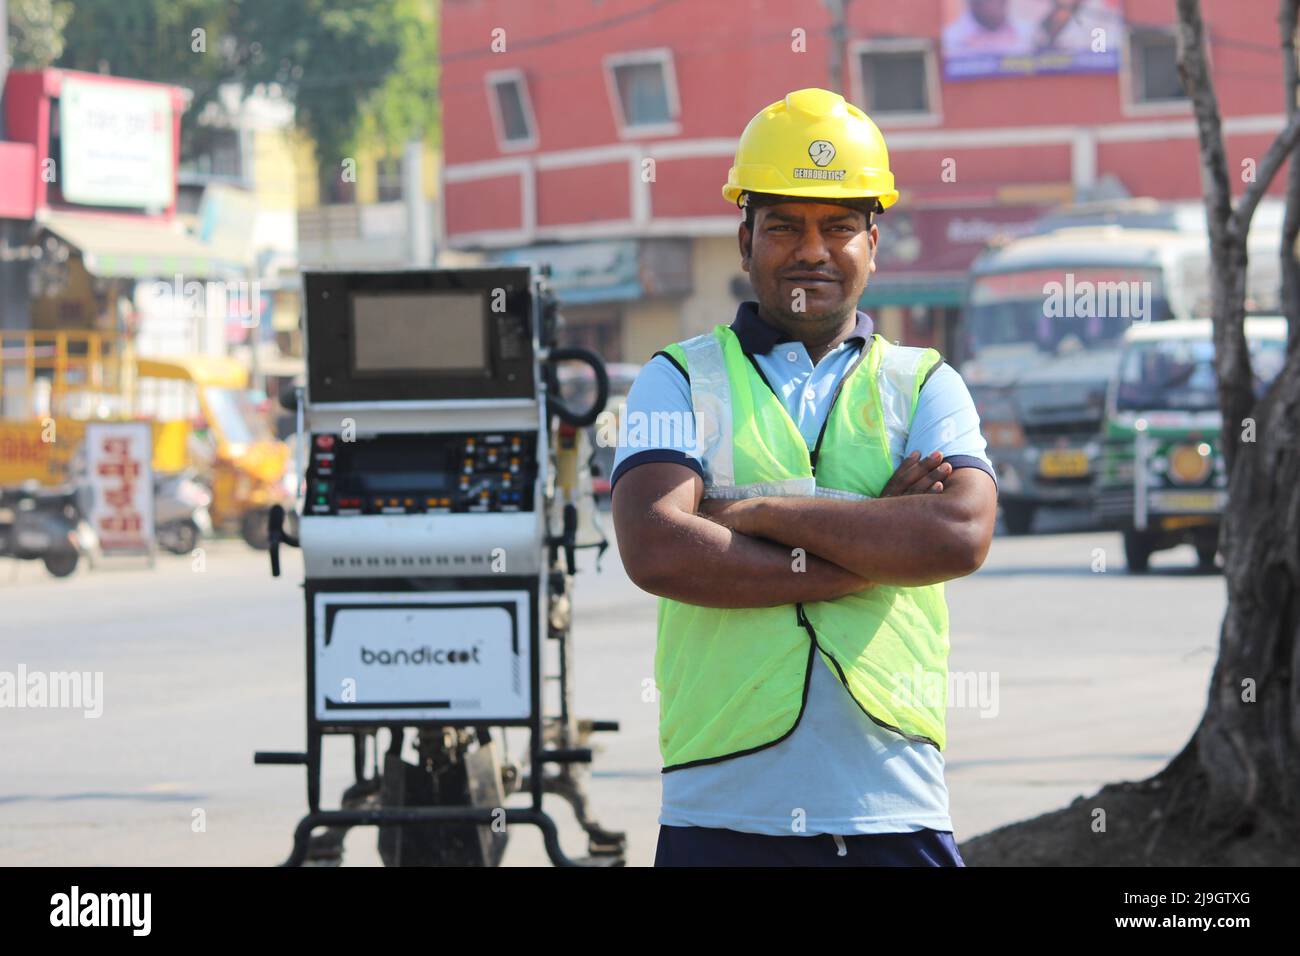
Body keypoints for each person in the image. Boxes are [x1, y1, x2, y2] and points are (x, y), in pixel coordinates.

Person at [609, 88, 999, 867]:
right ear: (745, 238)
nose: (811, 250)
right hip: (720, 807)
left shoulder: (925, 384)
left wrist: (749, 509)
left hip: (893, 803)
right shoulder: (677, 379)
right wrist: (876, 551)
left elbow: (957, 535)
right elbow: (656, 549)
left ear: (873, 242)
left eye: (838, 226)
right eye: (784, 224)